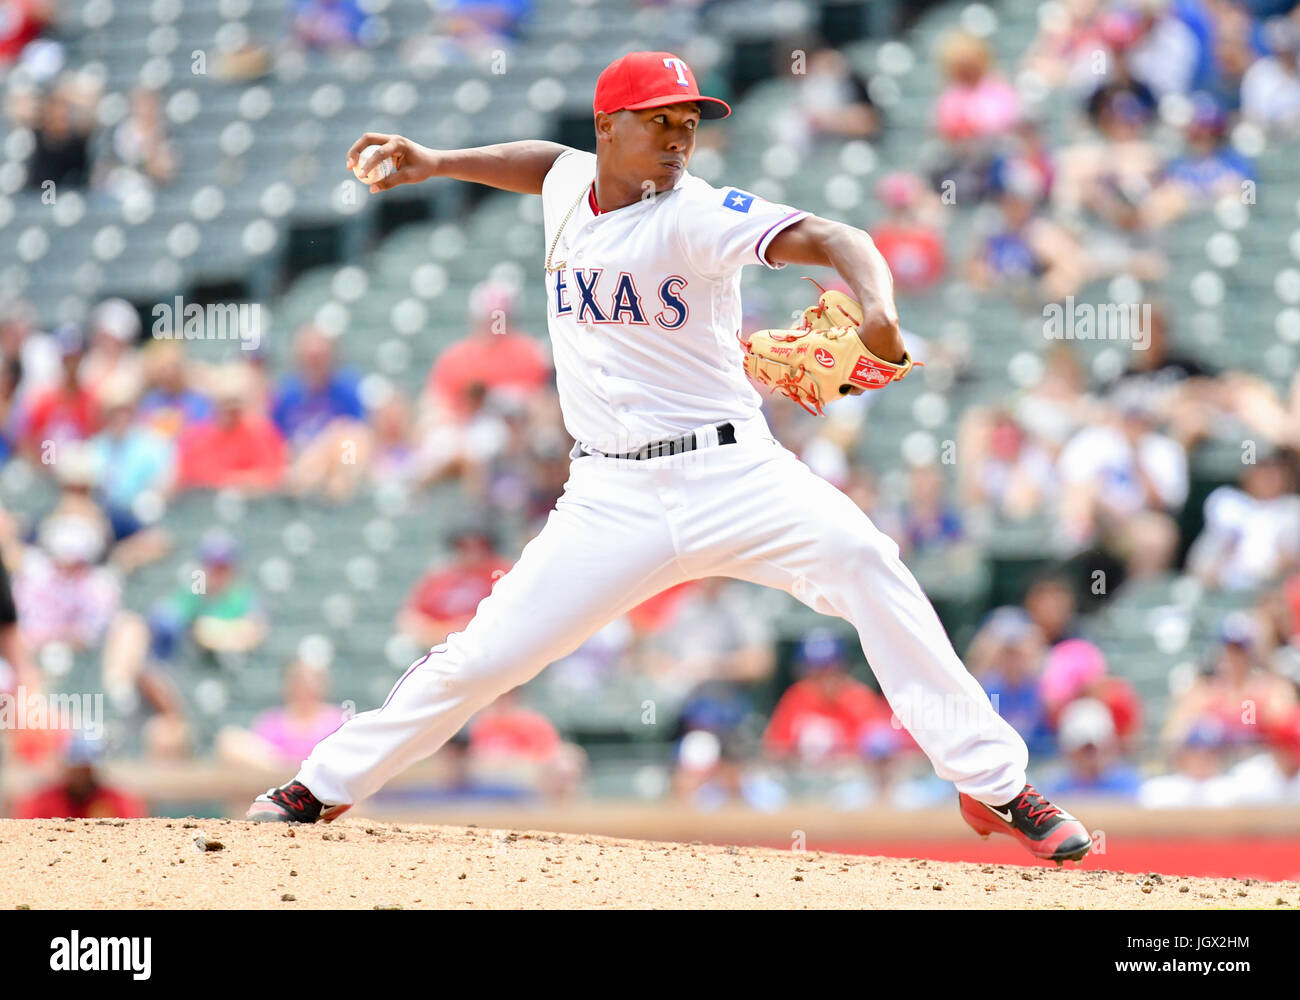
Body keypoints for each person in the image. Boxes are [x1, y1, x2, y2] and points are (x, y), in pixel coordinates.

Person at [248, 51, 1093, 865]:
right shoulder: (571, 182)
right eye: (658, 121)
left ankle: (993, 784)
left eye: (688, 121)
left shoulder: (696, 214)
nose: (679, 137)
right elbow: (542, 164)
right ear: (606, 127)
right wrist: (438, 161)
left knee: (867, 562)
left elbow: (838, 235)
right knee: (485, 658)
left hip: (736, 475)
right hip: (609, 493)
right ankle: (319, 787)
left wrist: (878, 308)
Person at [15, 733, 147, 819]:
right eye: (76, 768)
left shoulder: (117, 801)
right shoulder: (43, 802)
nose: (80, 775)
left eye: (86, 769)